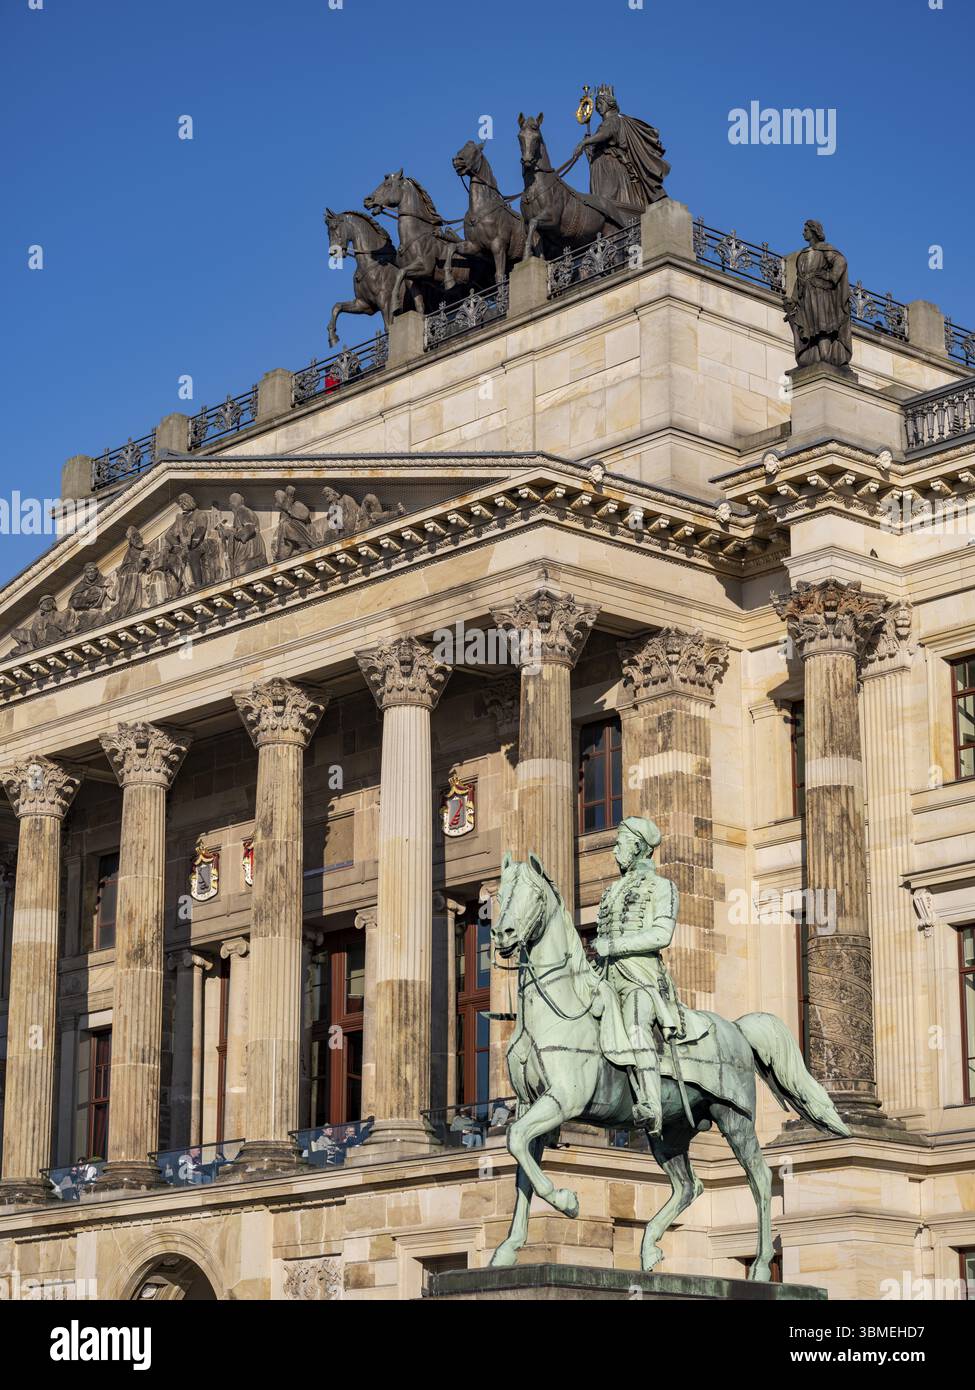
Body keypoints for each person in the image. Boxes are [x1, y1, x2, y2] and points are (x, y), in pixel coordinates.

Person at [593, 816, 684, 1134]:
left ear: (637, 846)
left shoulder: (662, 888)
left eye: (619, 842)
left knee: (634, 1023)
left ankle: (651, 1106)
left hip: (641, 977)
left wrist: (614, 946)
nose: (615, 848)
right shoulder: (610, 891)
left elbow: (661, 934)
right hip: (605, 977)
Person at [573, 84, 670, 217]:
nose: (598, 107)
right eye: (596, 105)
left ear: (609, 104)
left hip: (611, 166)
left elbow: (606, 133)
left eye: (601, 103)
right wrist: (591, 148)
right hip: (603, 166)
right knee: (601, 200)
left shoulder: (613, 120)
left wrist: (585, 142)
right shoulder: (609, 122)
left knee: (607, 199)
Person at [784, 219, 853, 368]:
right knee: (809, 329)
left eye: (806, 230)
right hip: (807, 296)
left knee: (823, 328)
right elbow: (799, 280)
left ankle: (826, 359)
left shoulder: (825, 249)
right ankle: (813, 360)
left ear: (814, 231)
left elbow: (841, 262)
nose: (803, 232)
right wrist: (794, 300)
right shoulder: (803, 254)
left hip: (821, 295)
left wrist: (831, 278)